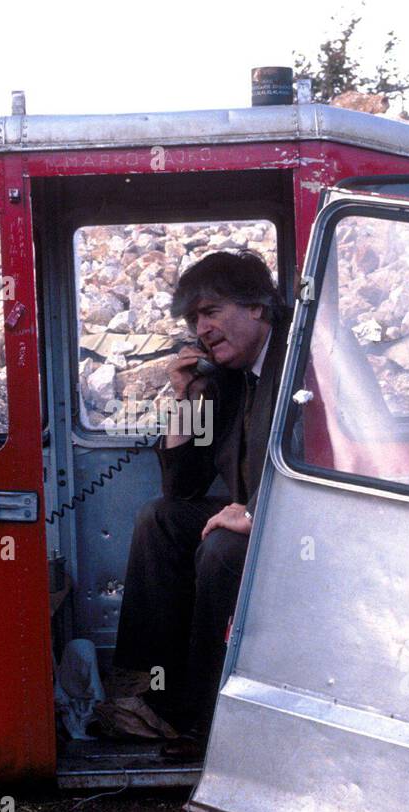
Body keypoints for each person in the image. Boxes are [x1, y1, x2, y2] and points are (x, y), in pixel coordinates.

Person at [113, 250, 289, 761]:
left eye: (211, 311)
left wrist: (255, 511)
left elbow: (319, 452)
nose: (203, 328)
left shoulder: (301, 360)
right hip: (258, 515)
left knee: (221, 549)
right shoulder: (232, 380)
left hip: (307, 525)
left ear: (256, 306)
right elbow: (181, 487)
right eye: (194, 320)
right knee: (160, 521)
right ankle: (153, 696)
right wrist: (187, 397)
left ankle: (209, 720)